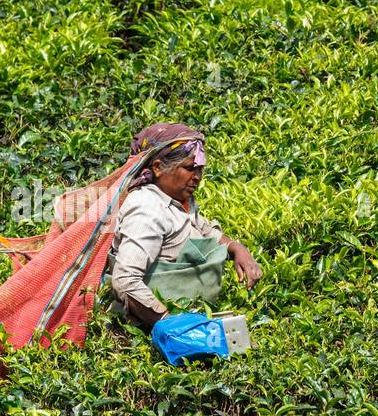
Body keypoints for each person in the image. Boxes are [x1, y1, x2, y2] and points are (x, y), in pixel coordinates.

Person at [108, 122, 262, 330]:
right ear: (158, 168)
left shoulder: (180, 198)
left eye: (200, 169)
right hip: (152, 325)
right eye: (190, 168)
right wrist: (169, 324)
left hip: (189, 315)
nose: (197, 177)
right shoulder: (147, 210)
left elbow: (205, 230)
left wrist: (237, 248)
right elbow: (125, 280)